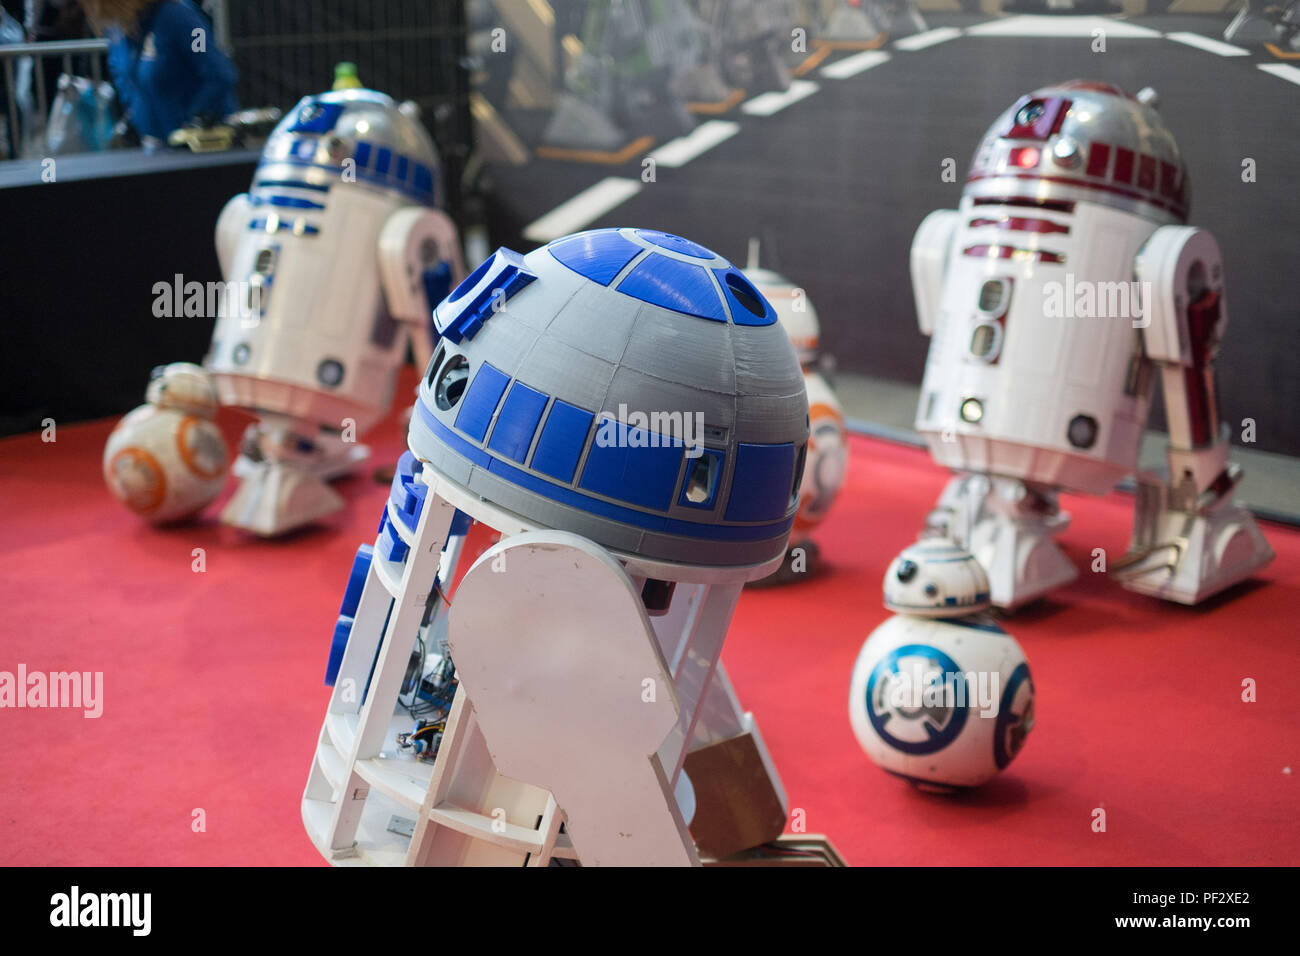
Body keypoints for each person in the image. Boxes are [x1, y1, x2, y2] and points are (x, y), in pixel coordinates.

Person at [82, 0, 236, 144]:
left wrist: (192, 119)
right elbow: (121, 76)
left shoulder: (181, 16)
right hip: (153, 144)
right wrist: (136, 116)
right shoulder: (117, 29)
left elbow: (218, 74)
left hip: (199, 143)